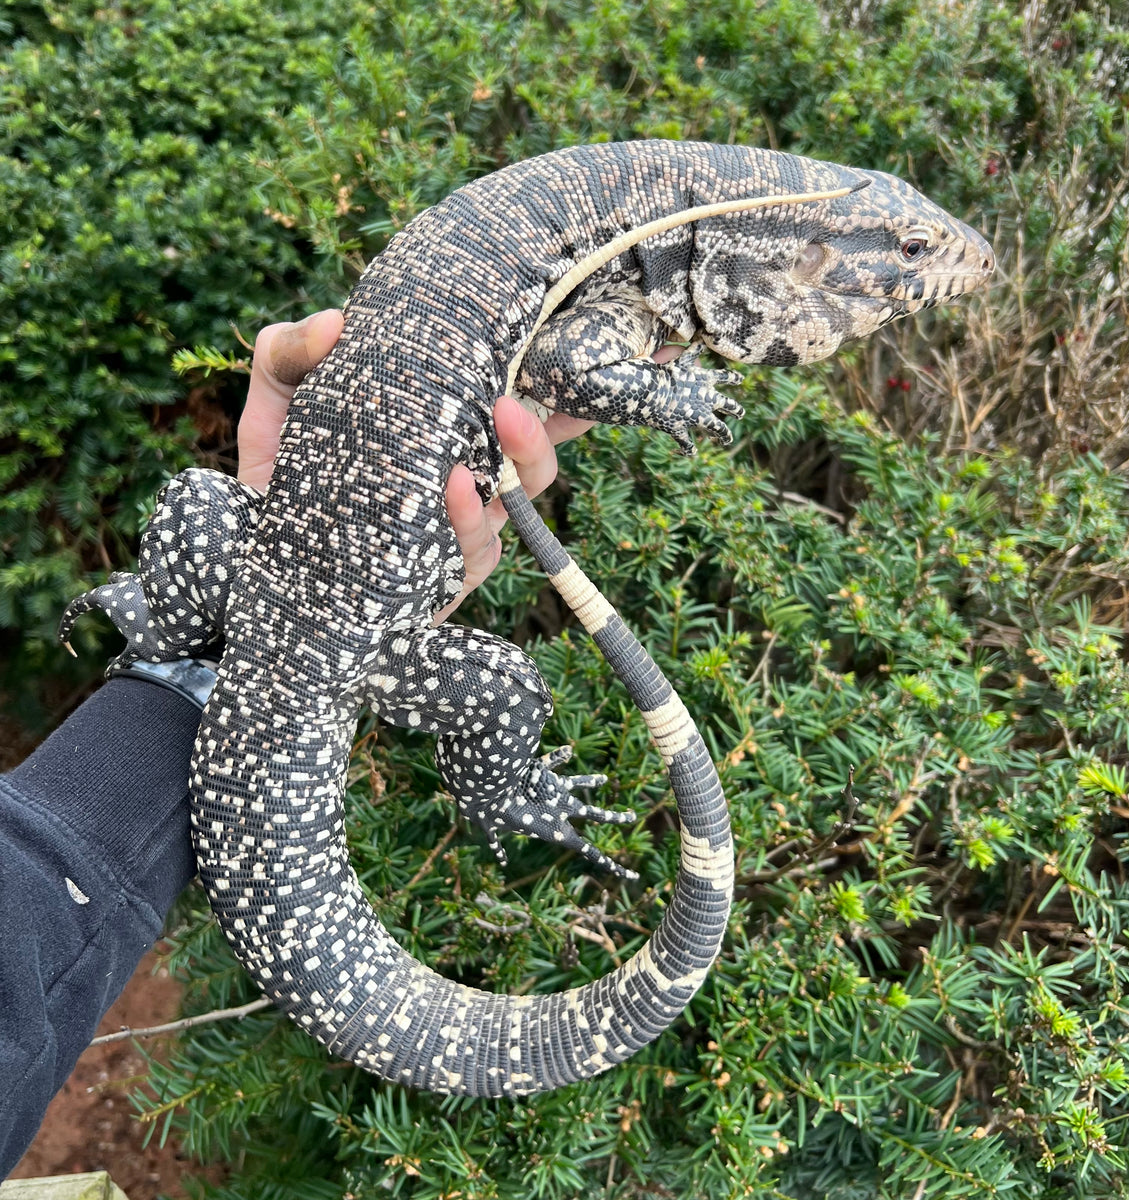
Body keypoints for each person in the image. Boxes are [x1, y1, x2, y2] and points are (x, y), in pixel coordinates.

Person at [0, 310, 593, 1176]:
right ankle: (496, 785)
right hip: (312, 610)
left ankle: (184, 644)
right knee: (505, 689)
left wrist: (206, 660)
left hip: (276, 600)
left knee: (203, 498)